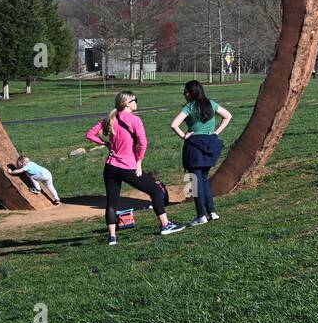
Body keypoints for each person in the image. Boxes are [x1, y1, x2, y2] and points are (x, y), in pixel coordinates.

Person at [85, 90, 185, 244]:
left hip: (110, 167)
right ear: (127, 103)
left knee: (112, 202)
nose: (137, 102)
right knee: (157, 191)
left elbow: (90, 134)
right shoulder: (135, 120)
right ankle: (165, 225)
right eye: (135, 100)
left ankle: (112, 238)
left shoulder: (110, 118)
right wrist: (139, 163)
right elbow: (143, 143)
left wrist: (105, 143)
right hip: (128, 167)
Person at [171, 80, 232, 226]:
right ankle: (212, 212)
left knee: (195, 183)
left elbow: (174, 125)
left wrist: (184, 136)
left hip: (194, 148)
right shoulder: (211, 103)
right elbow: (228, 116)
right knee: (204, 181)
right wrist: (215, 132)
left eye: (185, 91)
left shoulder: (189, 106)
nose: (184, 94)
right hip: (210, 145)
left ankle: (200, 216)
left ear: (191, 93)